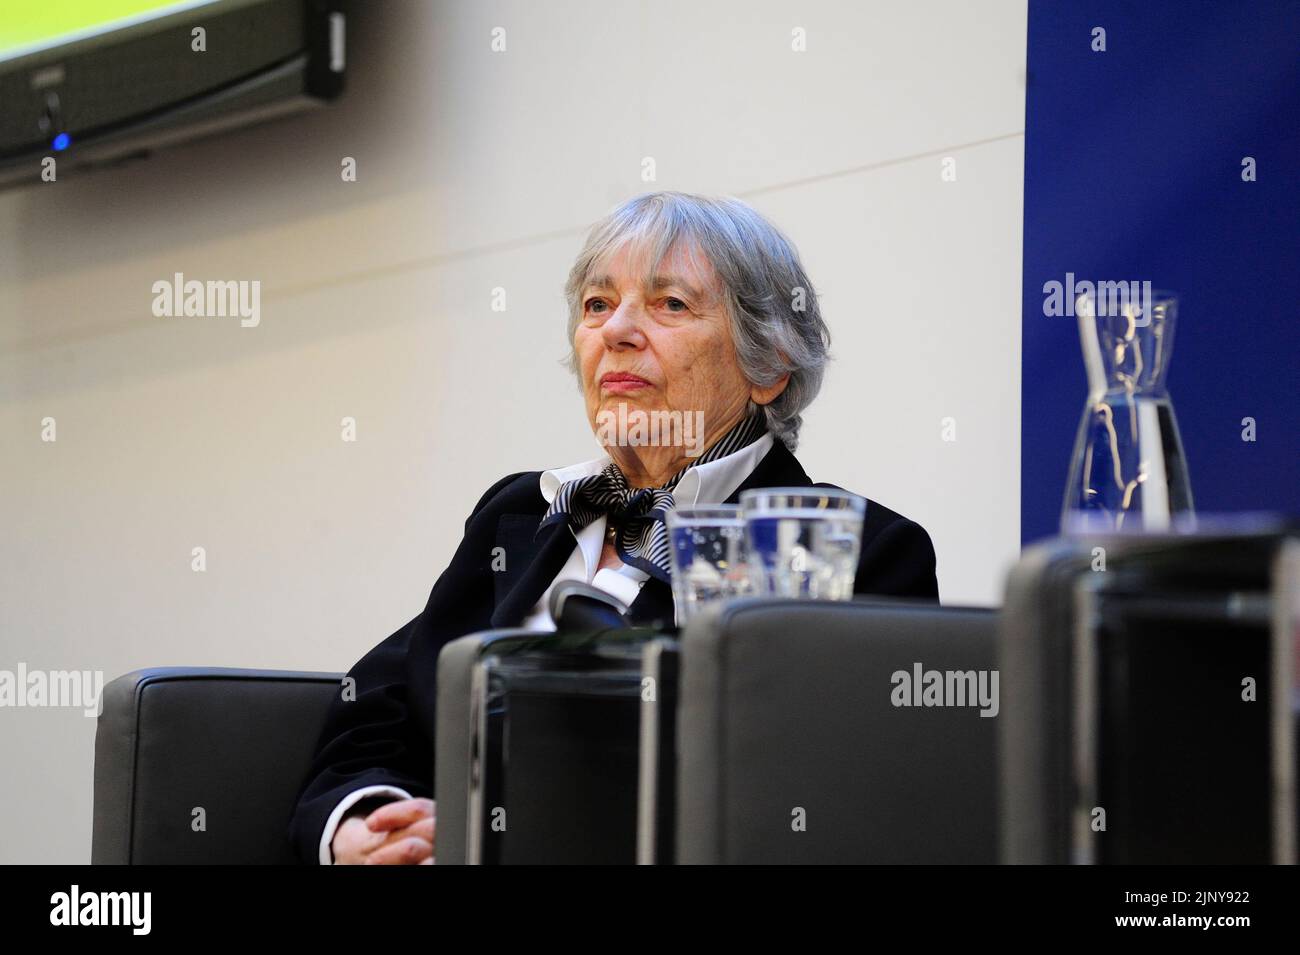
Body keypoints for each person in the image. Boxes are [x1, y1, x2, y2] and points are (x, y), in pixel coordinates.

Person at [289, 191, 939, 864]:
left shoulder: (843, 547)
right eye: (598, 305)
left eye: (670, 305)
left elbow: (829, 804)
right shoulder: (519, 513)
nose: (615, 331)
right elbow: (377, 711)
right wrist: (364, 827)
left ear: (768, 366)